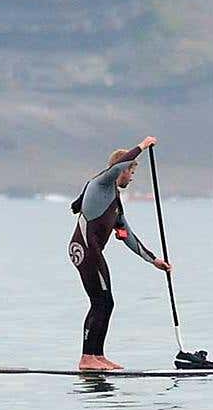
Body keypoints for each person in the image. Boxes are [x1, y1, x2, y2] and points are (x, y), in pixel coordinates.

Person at [68, 136, 173, 371]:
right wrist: (143, 146)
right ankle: (87, 358)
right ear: (123, 169)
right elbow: (116, 166)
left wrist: (154, 260)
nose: (132, 178)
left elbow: (129, 237)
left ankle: (97, 355)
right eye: (131, 172)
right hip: (84, 249)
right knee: (101, 301)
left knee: (106, 302)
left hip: (92, 251)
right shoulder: (100, 184)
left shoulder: (115, 201)